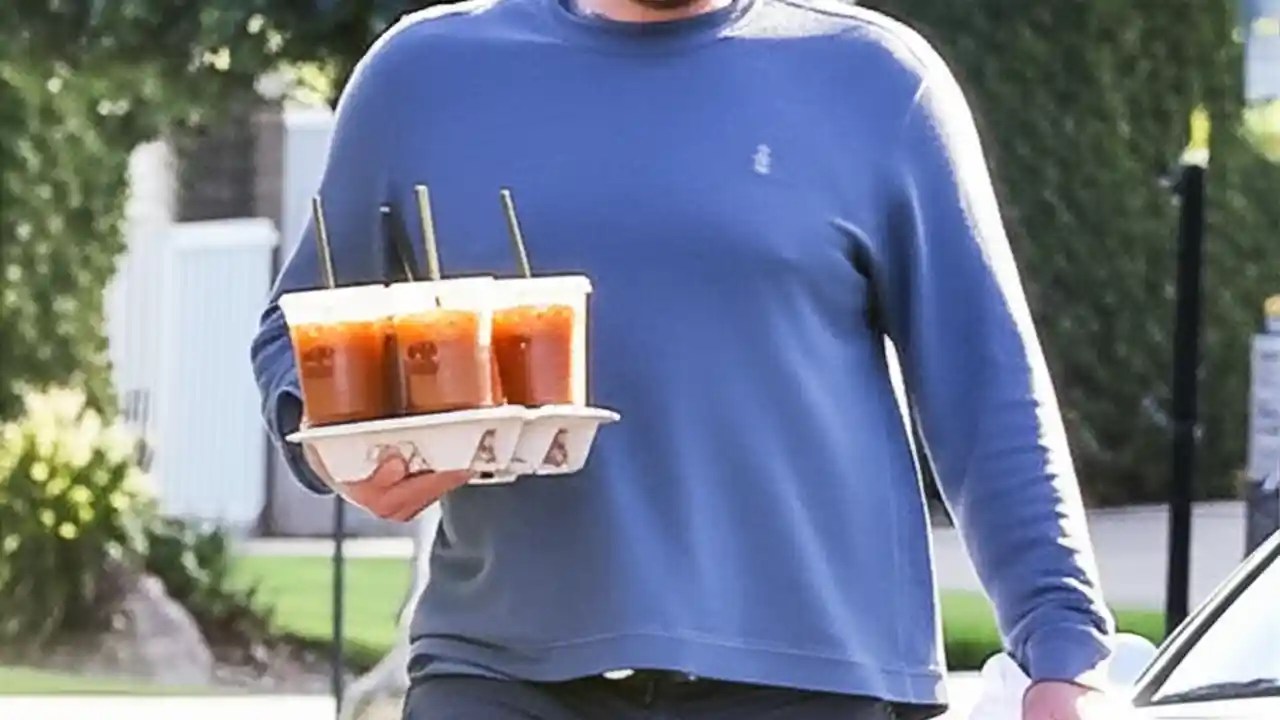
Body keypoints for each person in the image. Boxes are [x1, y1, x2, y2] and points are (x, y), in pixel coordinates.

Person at [250, 0, 1116, 717]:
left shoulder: (878, 81)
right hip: (501, 668)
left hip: (810, 677)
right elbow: (298, 334)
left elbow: (986, 386)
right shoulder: (422, 77)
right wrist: (334, 449)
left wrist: (1062, 650)